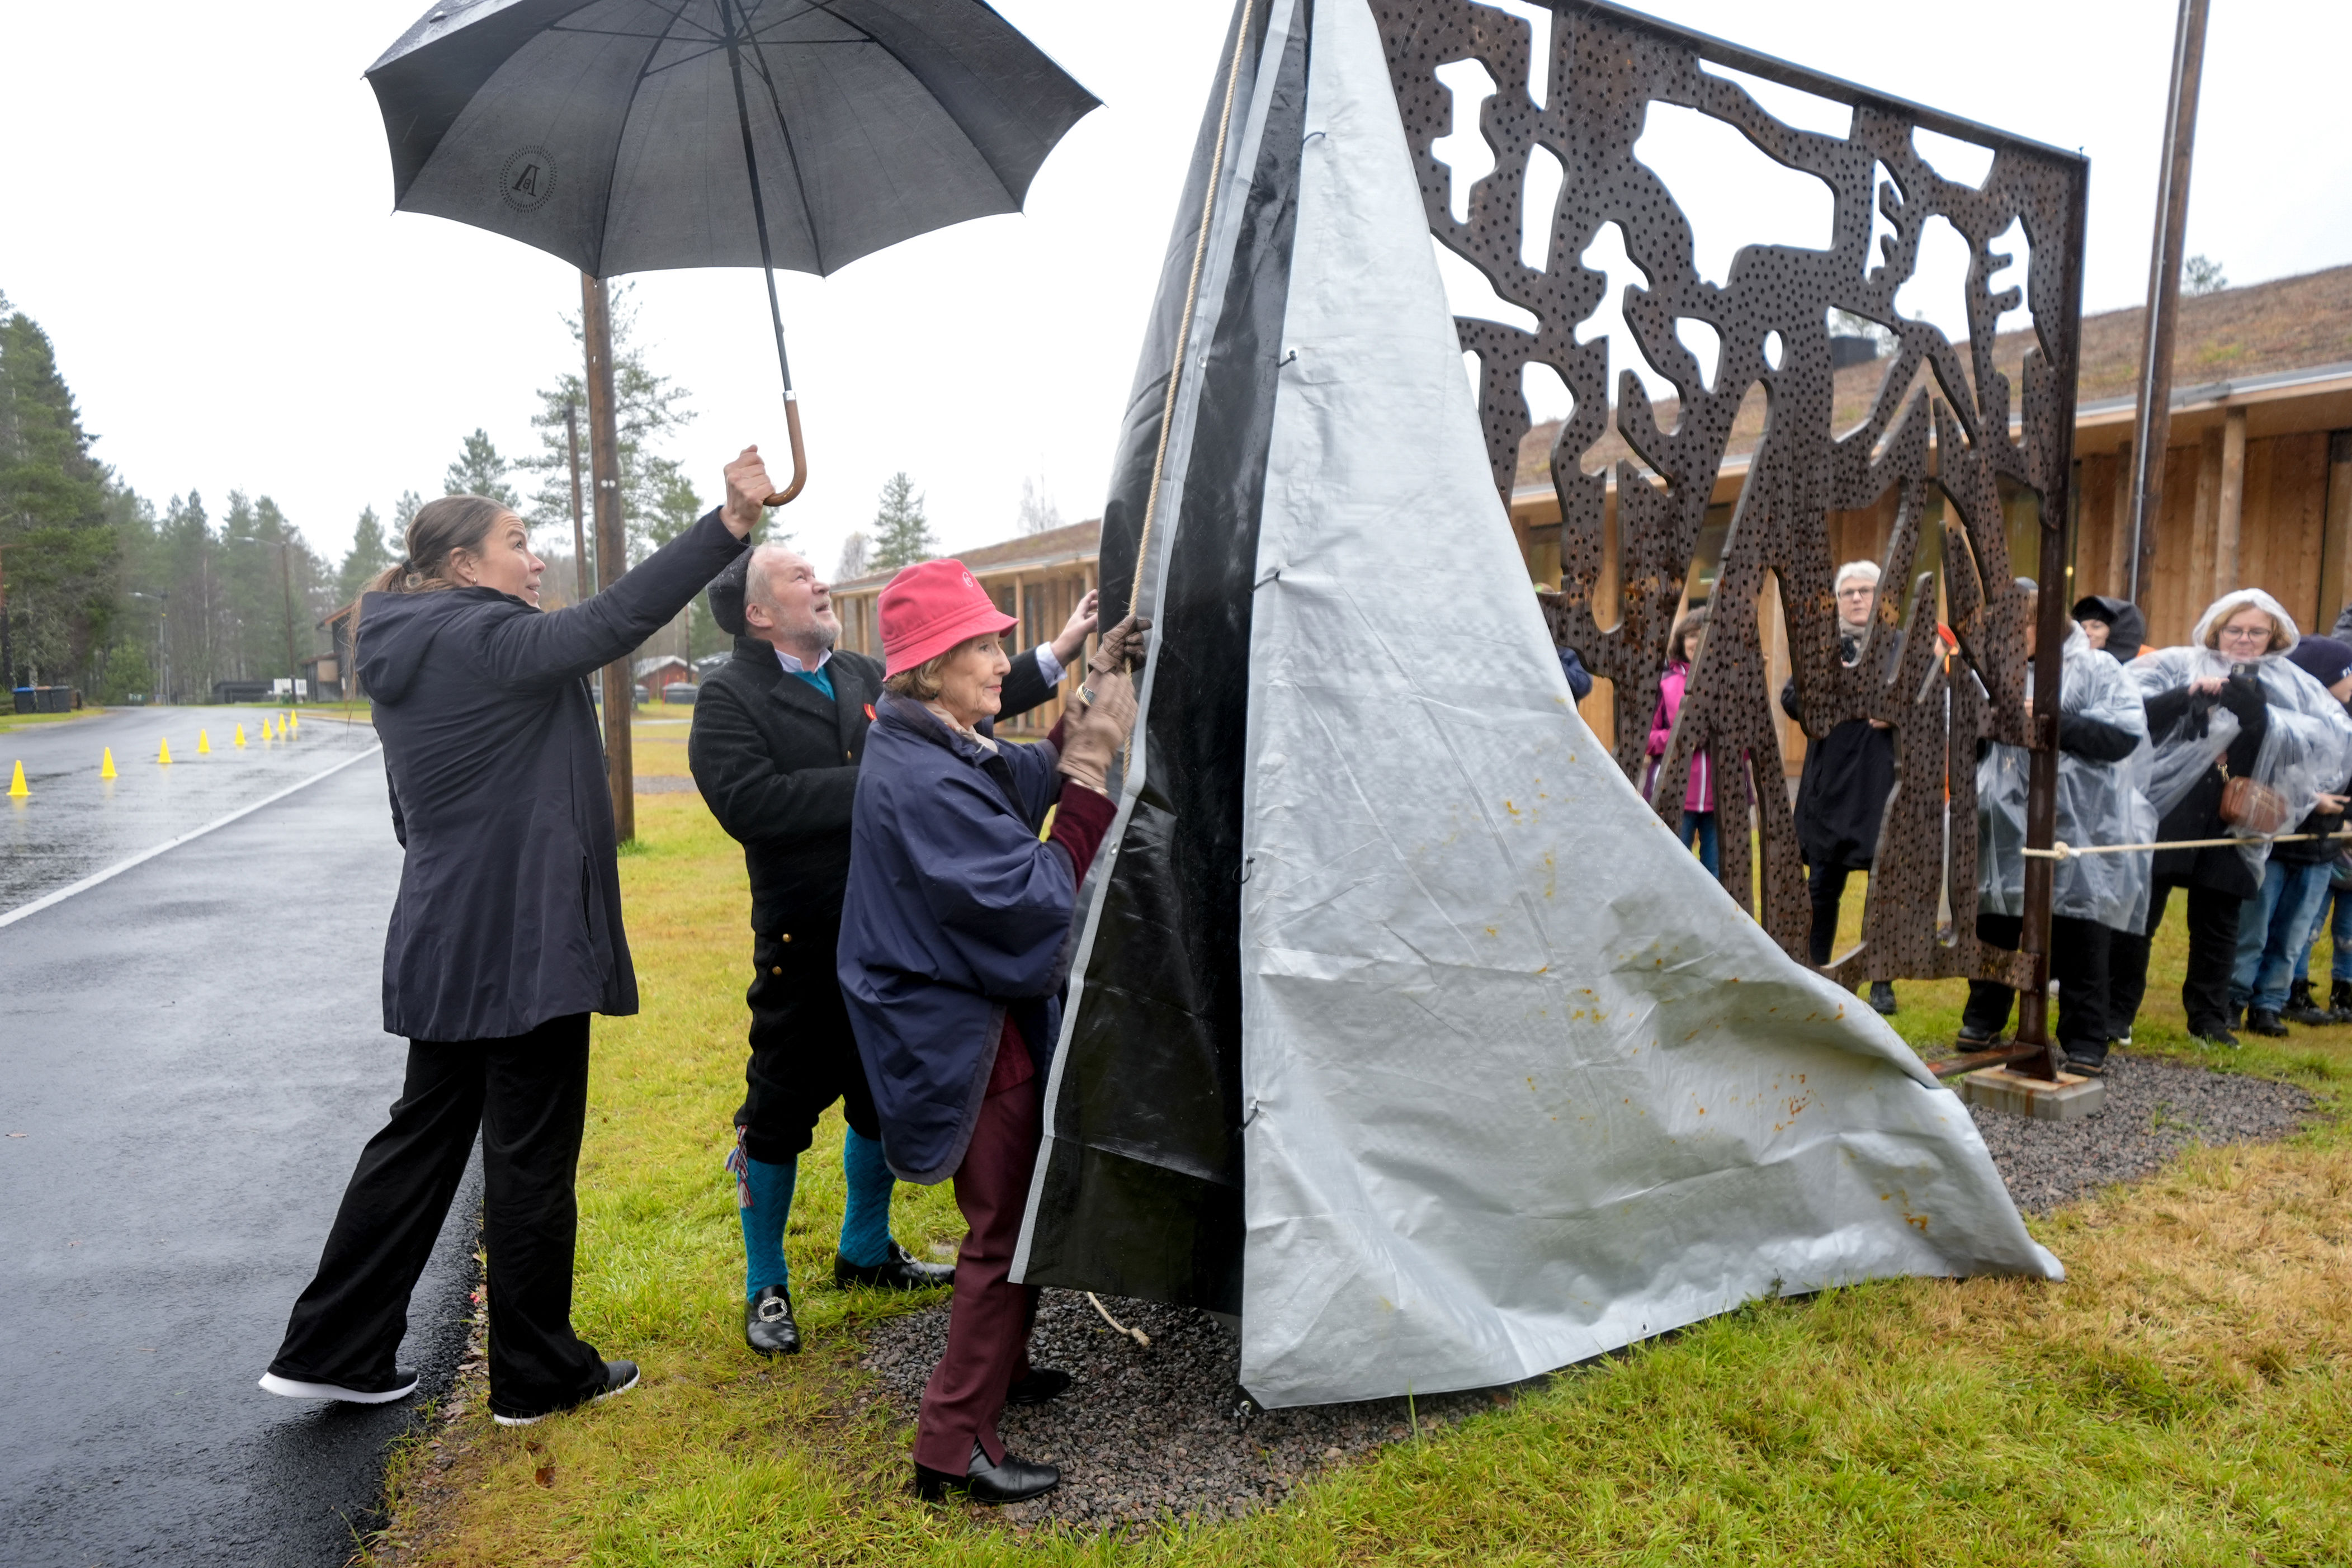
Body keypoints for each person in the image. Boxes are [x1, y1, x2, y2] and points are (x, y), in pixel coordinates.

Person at [259, 448, 766, 1425]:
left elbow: (408, 812)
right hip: (524, 944)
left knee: (419, 1141)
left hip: (445, 934)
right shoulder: (482, 634)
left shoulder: (403, 645)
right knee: (529, 1153)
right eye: (519, 543)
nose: (535, 562)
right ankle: (536, 1375)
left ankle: (333, 1348)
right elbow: (612, 622)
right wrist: (727, 527)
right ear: (463, 564)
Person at [689, 552, 1102, 1357]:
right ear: (758, 613)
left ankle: (866, 1249)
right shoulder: (727, 697)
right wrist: (898, 776)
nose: (820, 583)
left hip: (894, 935)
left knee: (880, 1092)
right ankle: (766, 1281)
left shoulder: (857, 672)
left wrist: (1057, 655)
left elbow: (946, 694)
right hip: (805, 938)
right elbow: (750, 803)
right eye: (799, 576)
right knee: (777, 1111)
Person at [838, 560, 1145, 1505]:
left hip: (972, 1013)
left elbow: (1016, 774)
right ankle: (950, 1440)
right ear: (932, 668)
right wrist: (1089, 773)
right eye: (982, 646)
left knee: (1019, 1209)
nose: (1003, 660)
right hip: (959, 1031)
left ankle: (1001, 1374)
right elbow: (1037, 895)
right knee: (1002, 1228)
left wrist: (1085, 698)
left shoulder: (930, 741)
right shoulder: (922, 778)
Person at [2111, 590, 2352, 1047]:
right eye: (2235, 629)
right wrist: (2185, 698)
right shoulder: (2179, 664)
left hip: (2236, 816)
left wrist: (2259, 715)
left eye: (2256, 631)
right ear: (2216, 629)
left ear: (2273, 635)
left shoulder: (2292, 684)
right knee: (2139, 918)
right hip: (2170, 810)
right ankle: (2116, 1014)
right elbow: (2128, 712)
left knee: (2219, 925)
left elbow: (2316, 745)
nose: (2244, 639)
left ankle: (2209, 1021)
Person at [1959, 585, 2151, 1073]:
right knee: (1996, 920)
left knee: (2081, 932)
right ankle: (1983, 1018)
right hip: (2005, 824)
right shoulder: (1989, 675)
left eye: (2019, 626)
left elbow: (2122, 736)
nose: (2008, 638)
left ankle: (2085, 1039)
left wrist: (2050, 720)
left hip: (2079, 824)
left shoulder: (2098, 669)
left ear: (2047, 626)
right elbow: (1964, 743)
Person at [1782, 560, 1900, 1014]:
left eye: (1865, 590)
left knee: (1885, 890)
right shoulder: (1822, 646)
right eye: (1848, 592)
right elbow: (1792, 698)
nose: (1856, 598)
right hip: (1830, 787)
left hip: (1882, 785)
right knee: (1822, 888)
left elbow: (1931, 701)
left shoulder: (1901, 646)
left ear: (1881, 596)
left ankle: (1882, 983)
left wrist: (1895, 713)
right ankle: (1815, 972)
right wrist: (1830, 695)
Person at [2244, 636, 2352, 1029]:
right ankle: (2234, 998)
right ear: (2322, 677)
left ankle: (2270, 1004)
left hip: (2322, 848)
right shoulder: (2283, 718)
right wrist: (2310, 800)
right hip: (2277, 843)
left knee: (2294, 935)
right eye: (2348, 673)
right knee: (2255, 930)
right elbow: (2270, 772)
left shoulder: (2345, 721)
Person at [1647, 607, 1717, 875]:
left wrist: (1720, 740)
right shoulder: (1664, 682)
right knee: (1673, 873)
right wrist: (1683, 737)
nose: (1698, 642)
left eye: (1705, 635)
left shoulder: (1730, 683)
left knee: (1716, 875)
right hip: (1675, 795)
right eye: (1692, 635)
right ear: (1681, 640)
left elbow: (1747, 746)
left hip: (1720, 798)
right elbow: (1648, 739)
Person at [2070, 594, 2147, 663]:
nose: (2086, 633)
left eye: (2096, 627)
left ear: (2118, 631)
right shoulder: (2071, 665)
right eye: (2083, 628)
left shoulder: (2144, 664)